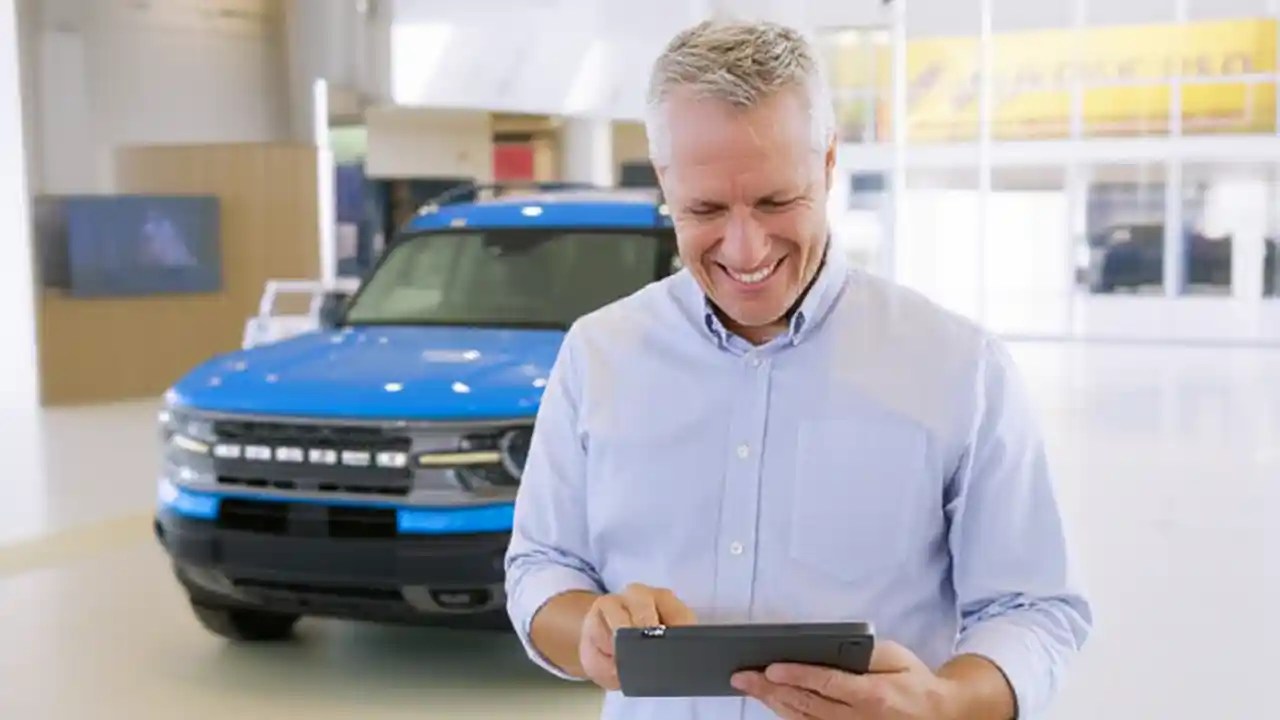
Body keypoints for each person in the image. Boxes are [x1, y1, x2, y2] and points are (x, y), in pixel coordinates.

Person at [504, 19, 1092, 720]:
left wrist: (944, 702)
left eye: (777, 201)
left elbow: (1033, 609)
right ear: (664, 177)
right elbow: (541, 566)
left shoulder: (959, 367)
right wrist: (587, 630)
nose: (745, 249)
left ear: (828, 163)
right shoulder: (599, 354)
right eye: (705, 209)